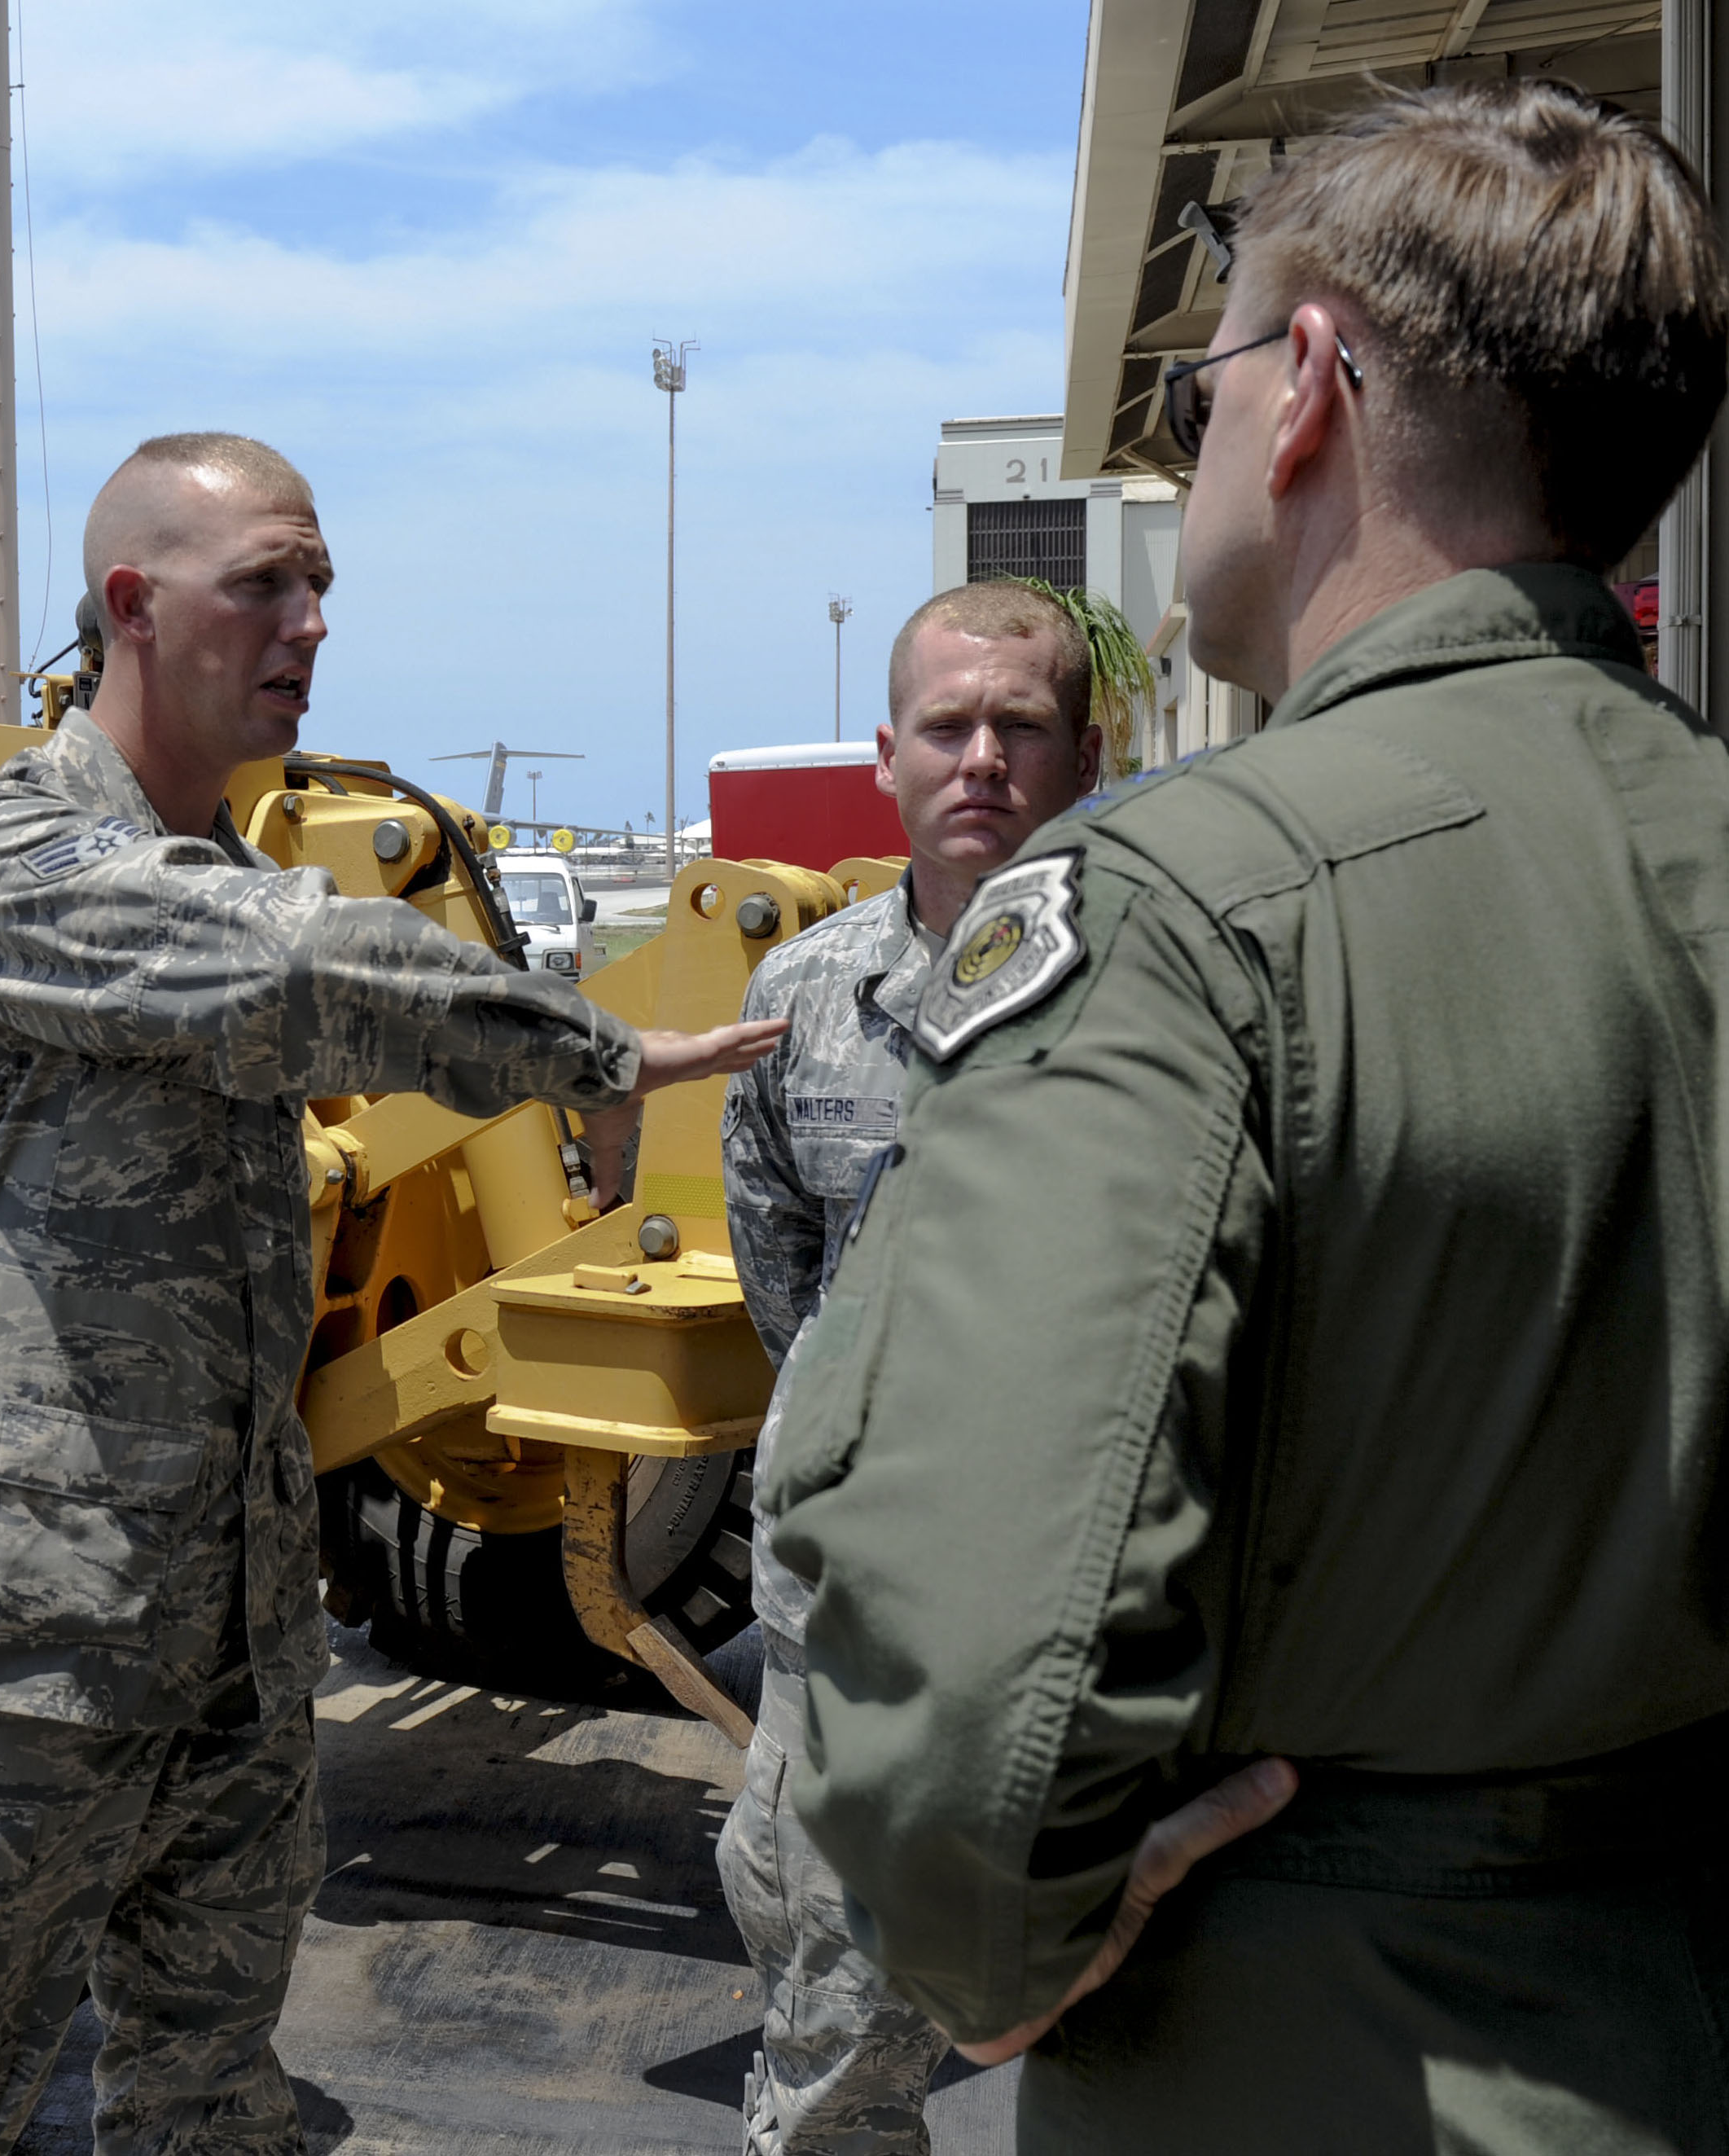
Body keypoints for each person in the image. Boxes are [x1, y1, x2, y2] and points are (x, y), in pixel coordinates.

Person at [764, 80, 1729, 2153]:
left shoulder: (1187, 904)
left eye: (1191, 397)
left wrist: (989, 1956)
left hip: (1334, 2061)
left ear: (1300, 392)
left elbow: (965, 1723)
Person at [0, 433, 784, 2156]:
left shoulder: (235, 855)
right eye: (261, 582)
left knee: (208, 2095)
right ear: (129, 605)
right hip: (14, 1633)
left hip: (229, 1619)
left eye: (317, 583)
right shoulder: (6, 855)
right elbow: (294, 970)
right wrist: (595, 1051)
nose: (308, 621)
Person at [716, 578, 1099, 2156]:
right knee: (802, 1945)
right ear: (886, 753)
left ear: (1087, 750)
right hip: (844, 1593)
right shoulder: (797, 997)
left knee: (1088, 2002)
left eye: (1019, 727)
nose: (980, 761)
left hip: (1069, 1590)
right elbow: (781, 1281)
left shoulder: (1157, 986)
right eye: (946, 726)